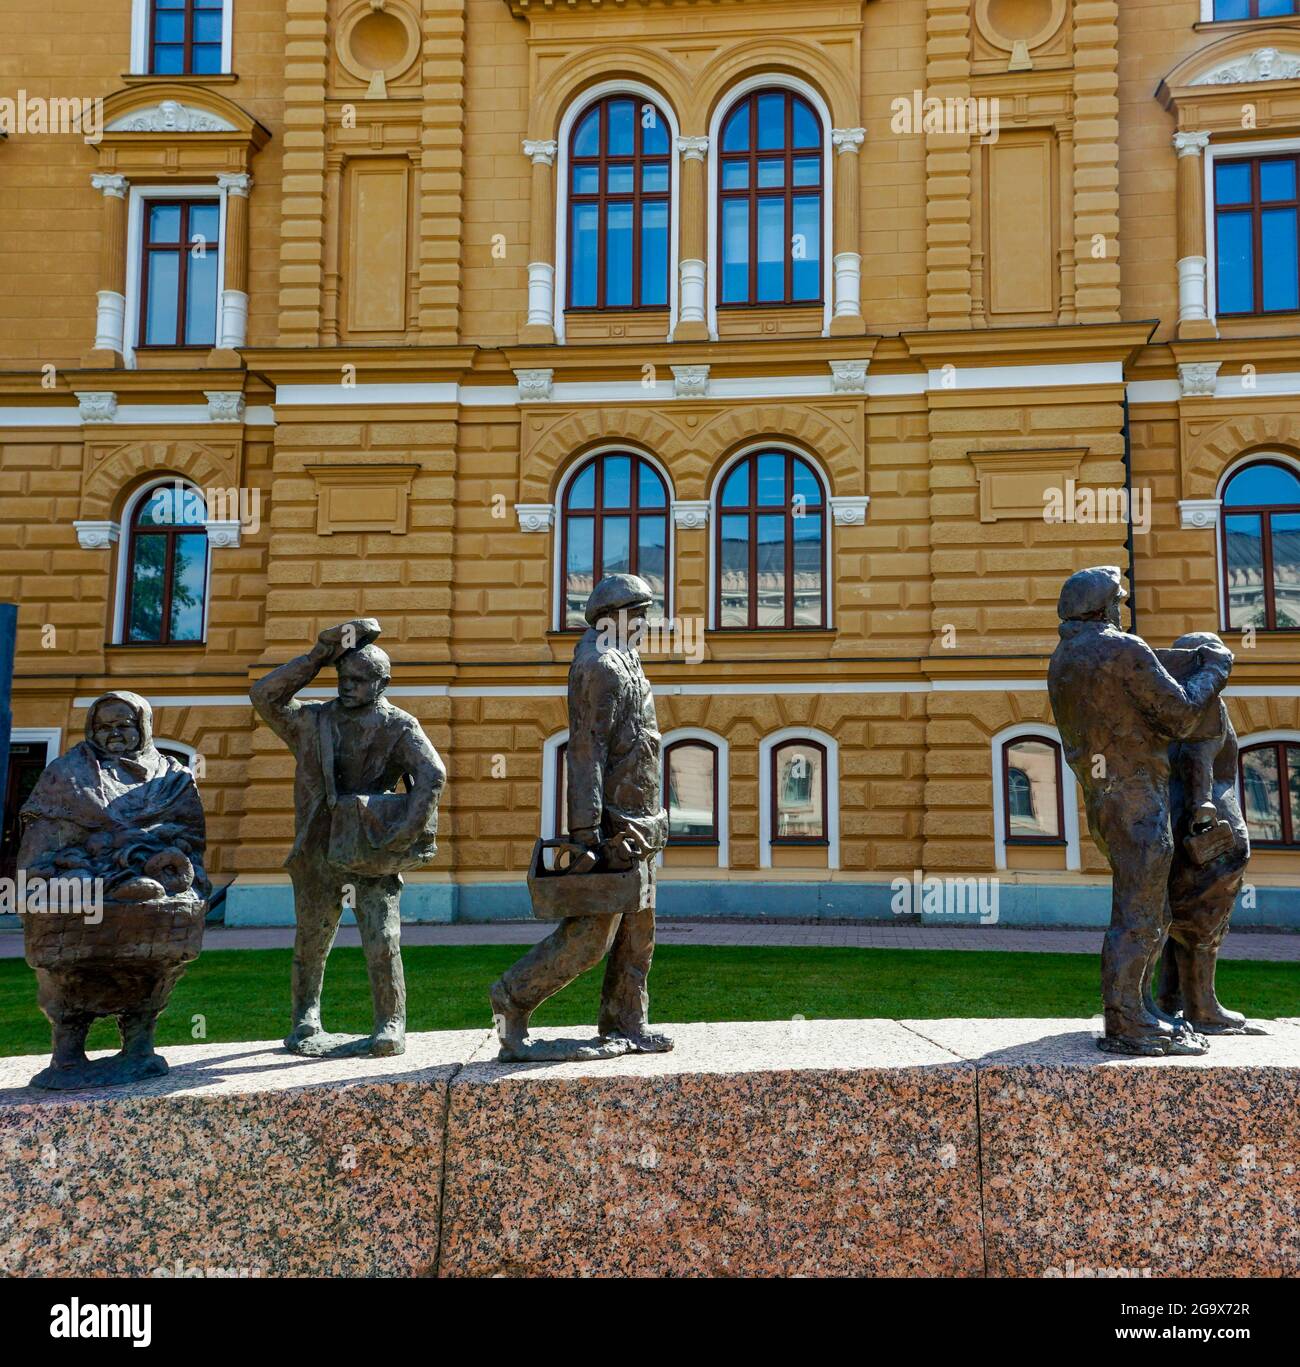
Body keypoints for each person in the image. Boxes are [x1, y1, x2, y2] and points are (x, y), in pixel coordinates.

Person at [1047, 567, 1234, 1056]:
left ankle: (1140, 1008)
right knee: (1139, 913)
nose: (1122, 611)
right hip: (1138, 796)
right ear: (1106, 607)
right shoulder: (1122, 649)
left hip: (1106, 797)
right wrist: (1215, 667)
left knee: (1149, 908)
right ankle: (1127, 1021)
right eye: (1119, 602)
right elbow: (1183, 714)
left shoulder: (1064, 657)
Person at [489, 573, 672, 1061]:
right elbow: (586, 753)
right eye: (640, 614)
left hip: (641, 823)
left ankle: (626, 1024)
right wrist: (587, 832)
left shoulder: (627, 659)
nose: (646, 623)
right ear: (614, 616)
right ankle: (511, 998)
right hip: (614, 826)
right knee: (591, 938)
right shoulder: (599, 665)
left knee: (638, 934)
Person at [251, 619, 445, 1058]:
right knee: (311, 942)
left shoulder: (399, 725)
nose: (348, 687)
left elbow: (433, 775)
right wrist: (317, 657)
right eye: (343, 678)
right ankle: (305, 1020)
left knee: (382, 938)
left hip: (370, 850)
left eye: (359, 681)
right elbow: (263, 695)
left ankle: (390, 1023)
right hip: (317, 851)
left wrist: (402, 833)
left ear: (382, 683)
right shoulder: (312, 721)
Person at [18, 690, 208, 1087]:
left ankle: (138, 1046)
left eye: (124, 725)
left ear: (143, 727)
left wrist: (167, 863)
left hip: (152, 898)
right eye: (104, 726)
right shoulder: (67, 774)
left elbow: (192, 839)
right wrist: (51, 876)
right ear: (92, 729)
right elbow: (44, 838)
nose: (114, 734)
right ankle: (67, 1054)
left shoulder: (173, 778)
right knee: (69, 968)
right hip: (79, 896)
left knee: (151, 967)